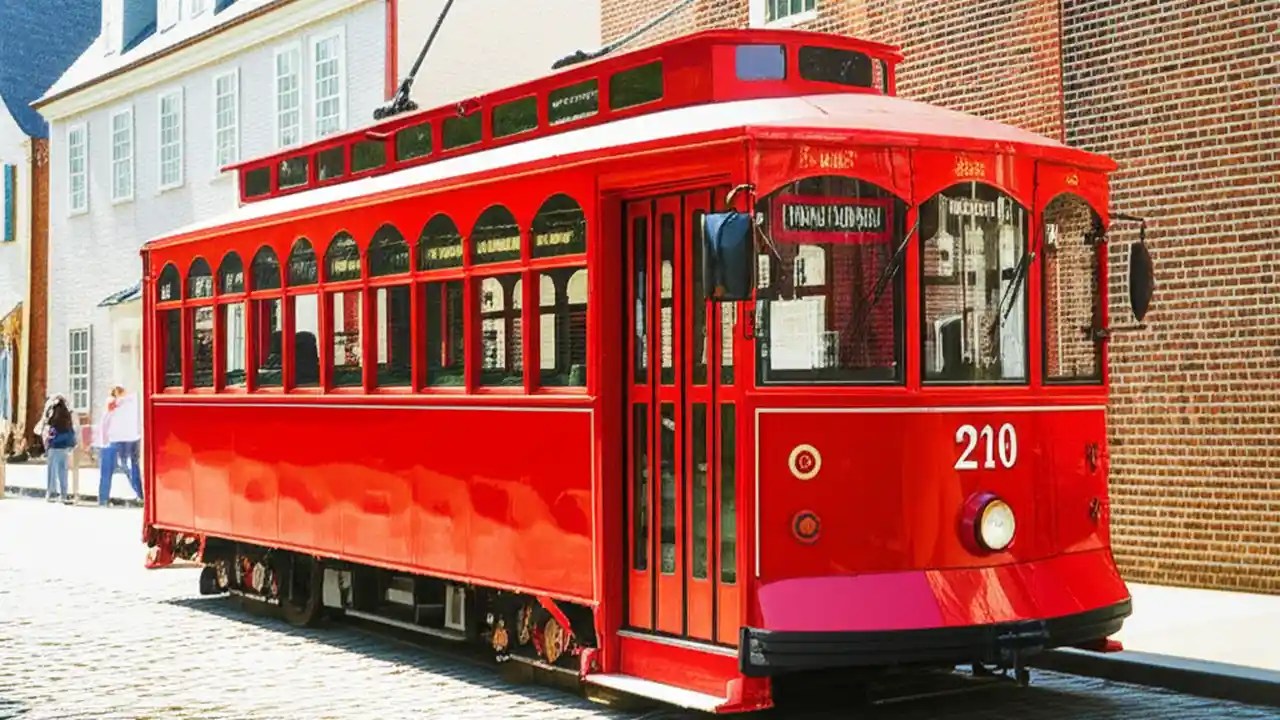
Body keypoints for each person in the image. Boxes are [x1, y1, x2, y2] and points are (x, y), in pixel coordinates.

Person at [36, 394, 78, 504]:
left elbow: (43, 425)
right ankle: (63, 494)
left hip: (54, 446)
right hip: (64, 447)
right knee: (63, 471)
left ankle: (51, 493)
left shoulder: (52, 411)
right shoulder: (68, 413)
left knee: (52, 471)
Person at [106, 385, 143, 501]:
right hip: (134, 436)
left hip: (120, 438)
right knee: (134, 464)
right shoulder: (132, 400)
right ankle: (140, 492)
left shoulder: (113, 403)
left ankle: (137, 491)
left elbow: (108, 414)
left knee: (125, 464)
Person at [95, 389, 119, 505]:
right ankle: (103, 498)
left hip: (109, 445)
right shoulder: (109, 415)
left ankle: (103, 498)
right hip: (108, 446)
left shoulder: (107, 415)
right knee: (106, 473)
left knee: (107, 473)